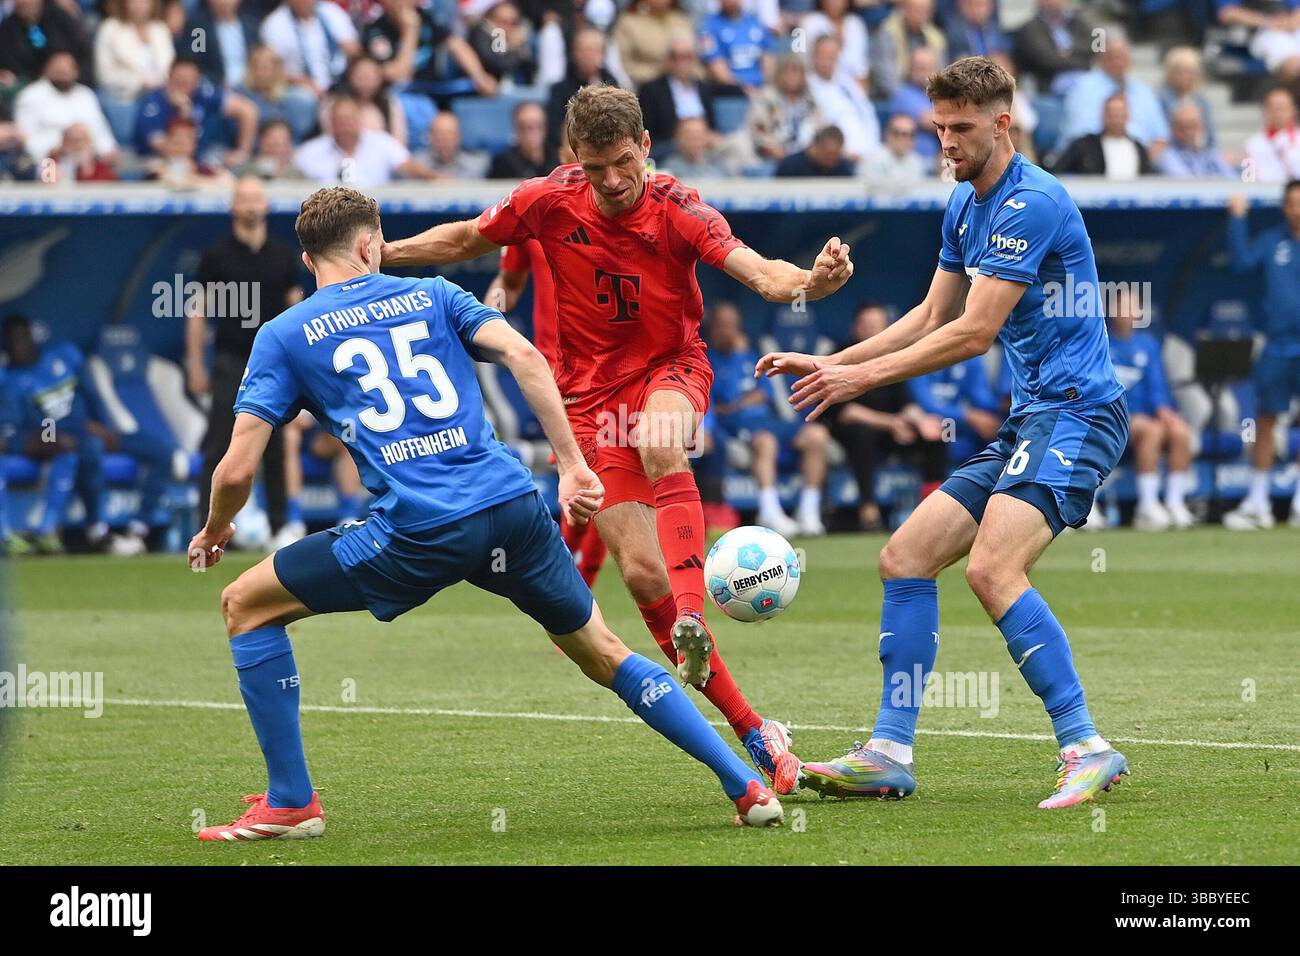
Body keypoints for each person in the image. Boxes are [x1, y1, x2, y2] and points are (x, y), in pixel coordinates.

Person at [190, 186, 783, 840]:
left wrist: (218, 528)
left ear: (309, 262)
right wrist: (573, 465)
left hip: (418, 531)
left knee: (245, 604)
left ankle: (292, 802)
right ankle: (746, 784)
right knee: (605, 653)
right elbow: (527, 357)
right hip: (513, 508)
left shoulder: (284, 333)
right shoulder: (438, 294)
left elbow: (239, 468)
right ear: (371, 245)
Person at [381, 84, 854, 795]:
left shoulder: (680, 208)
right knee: (639, 576)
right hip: (587, 403)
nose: (611, 181)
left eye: (624, 163)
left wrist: (812, 286)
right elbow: (467, 239)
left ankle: (694, 612)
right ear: (575, 156)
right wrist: (383, 251)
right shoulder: (547, 198)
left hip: (670, 368)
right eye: (596, 166)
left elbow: (760, 274)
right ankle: (757, 730)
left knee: (663, 440)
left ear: (647, 150)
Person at [758, 56, 1131, 809]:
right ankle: (889, 751)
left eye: (961, 128)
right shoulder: (963, 204)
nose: (947, 143)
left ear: (1003, 123)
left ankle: (1086, 745)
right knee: (905, 557)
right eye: (939, 128)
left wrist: (858, 381)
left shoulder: (1033, 202)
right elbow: (931, 317)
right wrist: (835, 358)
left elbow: (972, 332)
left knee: (992, 570)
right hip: (1035, 416)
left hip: (1080, 411)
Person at [484, 143, 610, 590]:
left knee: (605, 477)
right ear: (567, 150)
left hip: (616, 365)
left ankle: (571, 585)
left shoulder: (621, 214)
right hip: (559, 372)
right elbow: (510, 282)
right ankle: (569, 583)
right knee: (588, 475)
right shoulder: (539, 213)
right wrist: (488, 314)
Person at [187, 177, 304, 548]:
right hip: (231, 358)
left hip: (274, 364)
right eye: (245, 200)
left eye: (257, 199)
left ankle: (279, 526)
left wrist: (304, 365)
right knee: (220, 442)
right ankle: (206, 527)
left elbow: (296, 310)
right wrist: (195, 365)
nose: (252, 206)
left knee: (275, 442)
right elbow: (197, 312)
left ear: (266, 205)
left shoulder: (283, 255)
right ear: (233, 206)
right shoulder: (216, 255)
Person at [2, 314, 163, 556]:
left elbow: (93, 396)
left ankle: (139, 530)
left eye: (23, 337)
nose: (20, 345)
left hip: (91, 428)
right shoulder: (12, 380)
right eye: (12, 340)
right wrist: (51, 435)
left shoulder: (64, 355)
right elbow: (17, 430)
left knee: (163, 452)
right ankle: (95, 529)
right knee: (87, 448)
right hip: (57, 435)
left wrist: (105, 426)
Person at [824, 304, 950, 532]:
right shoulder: (840, 354)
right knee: (863, 434)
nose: (873, 330)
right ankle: (868, 509)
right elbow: (847, 413)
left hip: (889, 430)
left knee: (935, 434)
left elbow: (906, 403)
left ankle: (933, 507)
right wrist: (893, 423)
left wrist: (920, 422)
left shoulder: (891, 356)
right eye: (867, 325)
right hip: (850, 431)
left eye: (879, 325)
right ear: (856, 327)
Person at [708, 301, 829, 536]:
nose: (728, 331)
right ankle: (769, 511)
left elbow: (765, 393)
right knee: (766, 441)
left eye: (733, 325)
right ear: (713, 329)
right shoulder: (708, 359)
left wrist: (741, 398)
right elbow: (720, 406)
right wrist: (742, 402)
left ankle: (809, 511)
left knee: (817, 435)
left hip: (768, 419)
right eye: (723, 326)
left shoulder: (750, 355)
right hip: (736, 425)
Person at [1222, 183, 1300, 530]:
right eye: (1292, 204)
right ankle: (1258, 500)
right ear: (1284, 207)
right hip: (1278, 345)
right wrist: (1237, 220)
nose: (1297, 209)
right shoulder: (1272, 241)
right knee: (1266, 419)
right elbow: (1241, 262)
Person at [1107, 285, 1195, 530]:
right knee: (1152, 431)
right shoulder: (1102, 342)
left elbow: (1157, 386)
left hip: (1147, 416)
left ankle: (1175, 503)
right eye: (1122, 306)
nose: (1127, 312)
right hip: (1115, 418)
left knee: (1180, 431)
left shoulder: (1147, 344)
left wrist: (1164, 411)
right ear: (1111, 310)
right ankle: (1147, 505)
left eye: (1132, 307)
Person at [1057, 31, 1169, 160]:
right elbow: (1079, 133)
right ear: (1100, 60)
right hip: (1094, 158)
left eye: (1122, 57)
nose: (1118, 62)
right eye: (1112, 57)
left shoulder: (1145, 92)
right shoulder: (1084, 87)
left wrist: (1143, 164)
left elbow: (1160, 138)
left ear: (1130, 60)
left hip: (1139, 162)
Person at [295, 96, 437, 186]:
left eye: (349, 120)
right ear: (330, 123)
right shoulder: (309, 152)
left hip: (376, 216)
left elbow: (408, 166)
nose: (345, 126)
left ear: (359, 120)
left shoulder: (382, 143)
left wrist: (438, 178)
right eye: (339, 120)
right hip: (325, 221)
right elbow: (288, 178)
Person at [13, 51, 118, 166]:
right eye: (59, 71)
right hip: (47, 162)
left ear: (76, 72)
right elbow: (25, 137)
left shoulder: (86, 95)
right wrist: (57, 150)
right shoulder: (31, 95)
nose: (63, 74)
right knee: (52, 174)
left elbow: (100, 130)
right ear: (47, 70)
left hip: (88, 160)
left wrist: (107, 150)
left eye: (67, 71)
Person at [1050, 93, 1153, 179]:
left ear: (1127, 116)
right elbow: (1058, 173)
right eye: (1111, 115)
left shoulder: (1139, 148)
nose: (1115, 120)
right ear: (1103, 115)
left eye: (1120, 115)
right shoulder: (1084, 146)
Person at [94, 0, 175, 102]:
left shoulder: (160, 29)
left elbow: (169, 67)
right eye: (133, 1)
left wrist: (159, 85)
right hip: (123, 98)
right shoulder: (110, 28)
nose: (139, 5)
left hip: (160, 94)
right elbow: (104, 74)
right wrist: (140, 84)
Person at [699, 0, 772, 93]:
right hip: (731, 92)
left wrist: (764, 85)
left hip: (760, 87)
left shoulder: (755, 21)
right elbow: (717, 68)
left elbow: (767, 58)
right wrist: (746, 89)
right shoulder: (709, 26)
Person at [1157, 99, 1233, 178]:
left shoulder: (1211, 154)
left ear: (1201, 126)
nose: (1188, 132)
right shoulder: (1167, 156)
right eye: (1182, 126)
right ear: (1173, 129)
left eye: (1193, 125)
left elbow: (1231, 180)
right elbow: (1185, 184)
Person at [1243, 86, 1300, 184]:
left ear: (1293, 110)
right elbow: (1248, 180)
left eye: (1282, 107)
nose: (1278, 113)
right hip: (1265, 195)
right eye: (1273, 108)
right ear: (1265, 111)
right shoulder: (1252, 144)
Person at [487, 101, 552, 180]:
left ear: (546, 128)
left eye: (538, 126)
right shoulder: (503, 163)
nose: (531, 133)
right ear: (515, 129)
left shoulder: (557, 160)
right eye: (524, 127)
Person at [861, 112, 930, 180]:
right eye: (896, 133)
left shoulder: (917, 162)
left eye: (907, 134)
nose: (902, 138)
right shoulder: (873, 160)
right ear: (887, 134)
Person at [419, 112, 490, 178]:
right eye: (439, 134)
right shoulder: (417, 164)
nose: (444, 139)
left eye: (449, 134)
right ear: (430, 137)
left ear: (459, 136)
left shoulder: (477, 164)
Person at [774, 123, 855, 176]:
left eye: (836, 154)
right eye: (828, 154)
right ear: (815, 146)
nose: (832, 158)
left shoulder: (843, 168)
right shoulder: (790, 166)